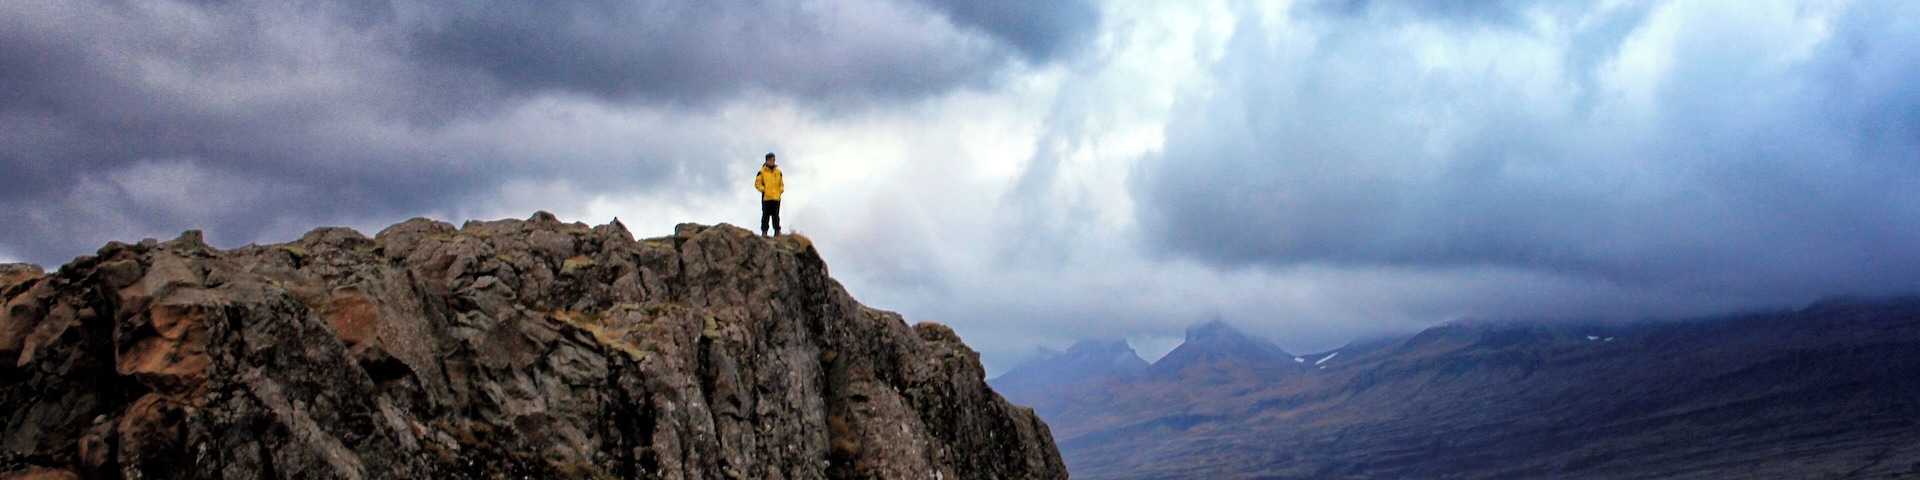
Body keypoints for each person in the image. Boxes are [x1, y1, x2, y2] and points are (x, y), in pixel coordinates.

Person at [754, 152, 784, 236]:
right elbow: (757, 184)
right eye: (771, 160)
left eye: (773, 160)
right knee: (765, 215)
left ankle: (777, 231)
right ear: (767, 160)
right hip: (766, 197)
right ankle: (764, 231)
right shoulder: (762, 172)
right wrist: (764, 190)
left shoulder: (778, 172)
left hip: (776, 197)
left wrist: (780, 190)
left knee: (776, 215)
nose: (772, 162)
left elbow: (781, 183)